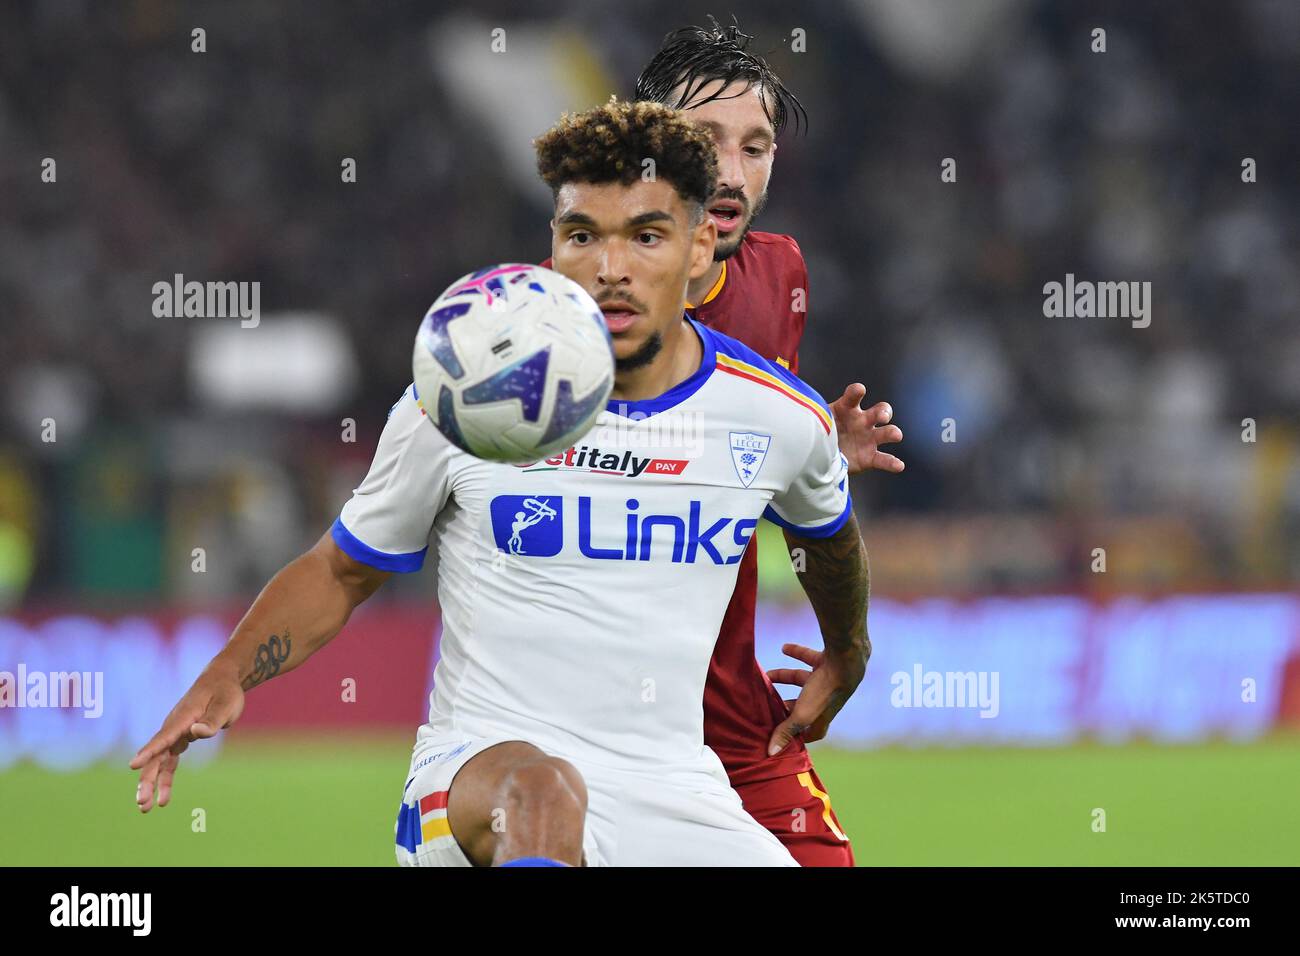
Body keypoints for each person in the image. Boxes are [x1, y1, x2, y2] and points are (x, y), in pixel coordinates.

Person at [131, 100, 871, 867]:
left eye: (646, 236)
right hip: (473, 777)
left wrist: (848, 650)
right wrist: (230, 670)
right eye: (582, 235)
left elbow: (831, 536)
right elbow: (341, 567)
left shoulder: (775, 416)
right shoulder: (468, 393)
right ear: (553, 245)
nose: (610, 268)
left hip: (674, 789)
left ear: (698, 246)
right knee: (545, 793)